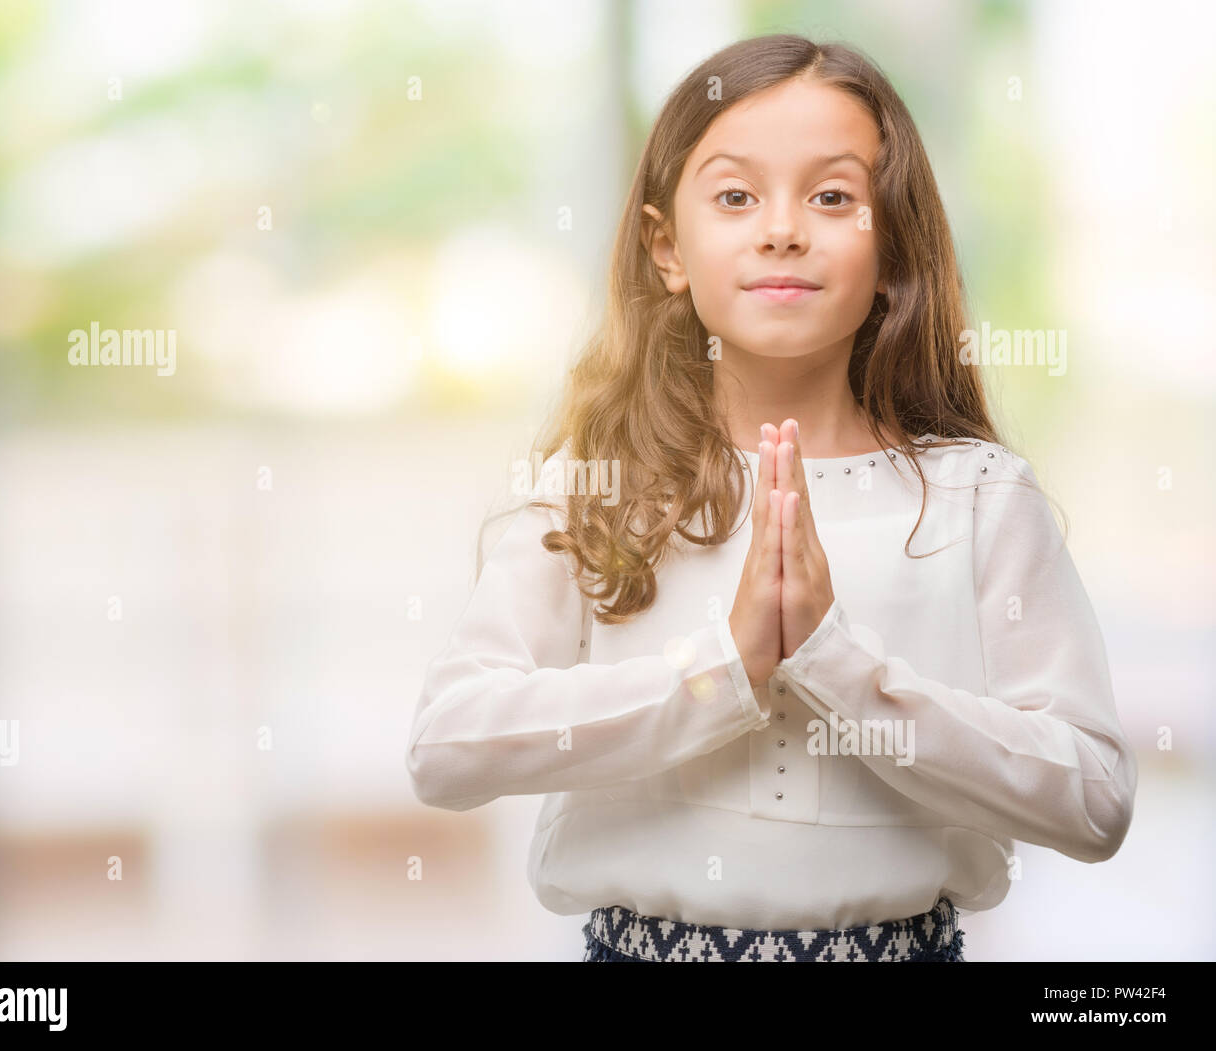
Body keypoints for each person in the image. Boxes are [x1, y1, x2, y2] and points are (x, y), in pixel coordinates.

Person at [404, 33, 1136, 962]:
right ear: (667, 247)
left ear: (893, 247)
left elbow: (1096, 799)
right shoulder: (594, 489)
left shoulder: (980, 498)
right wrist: (720, 672)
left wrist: (840, 669)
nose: (782, 228)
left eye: (833, 196)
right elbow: (447, 746)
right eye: (736, 196)